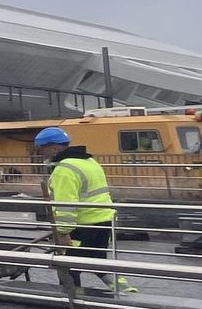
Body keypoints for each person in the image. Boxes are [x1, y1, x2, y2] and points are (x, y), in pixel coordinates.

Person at [36, 126, 133, 295]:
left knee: (67, 265)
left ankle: (73, 300)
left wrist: (63, 232)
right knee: (98, 261)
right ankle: (126, 289)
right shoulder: (89, 161)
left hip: (83, 225)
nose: (40, 153)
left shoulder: (64, 170)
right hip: (103, 221)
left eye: (42, 149)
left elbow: (66, 205)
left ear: (54, 148)